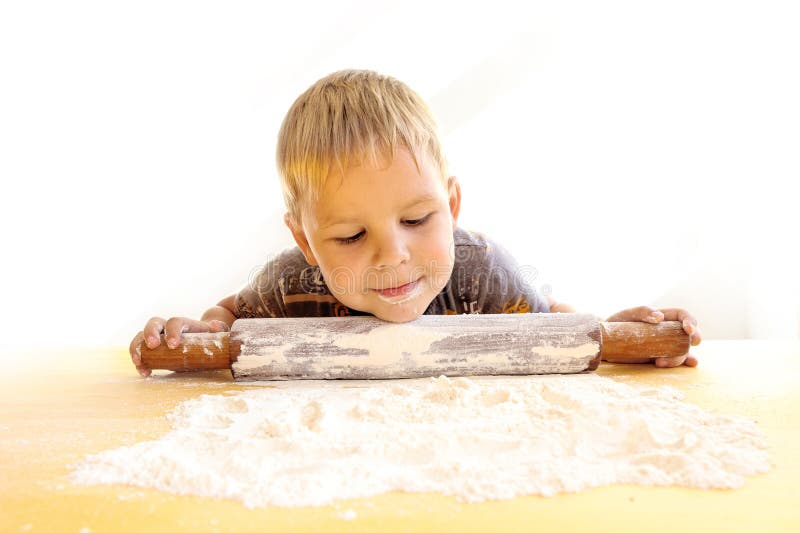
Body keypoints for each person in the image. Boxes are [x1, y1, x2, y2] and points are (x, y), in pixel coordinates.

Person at [129, 69, 701, 377]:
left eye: (417, 218)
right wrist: (202, 329)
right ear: (305, 240)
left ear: (451, 207)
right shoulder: (291, 286)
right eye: (351, 236)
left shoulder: (483, 276)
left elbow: (554, 327)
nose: (393, 254)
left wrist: (620, 333)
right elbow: (231, 313)